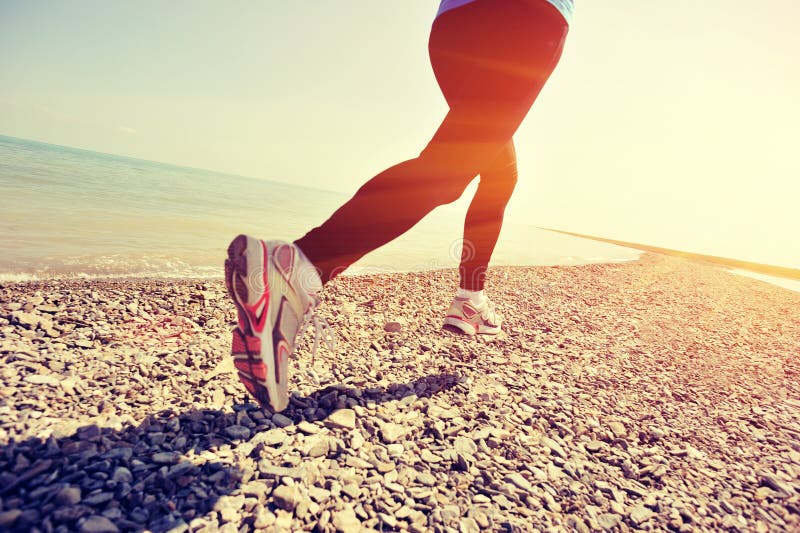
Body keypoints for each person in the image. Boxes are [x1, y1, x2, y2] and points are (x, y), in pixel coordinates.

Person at [225, 0, 573, 411]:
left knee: (496, 170)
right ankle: (299, 264)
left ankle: (471, 299)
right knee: (451, 167)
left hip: (455, 24)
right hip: (527, 17)